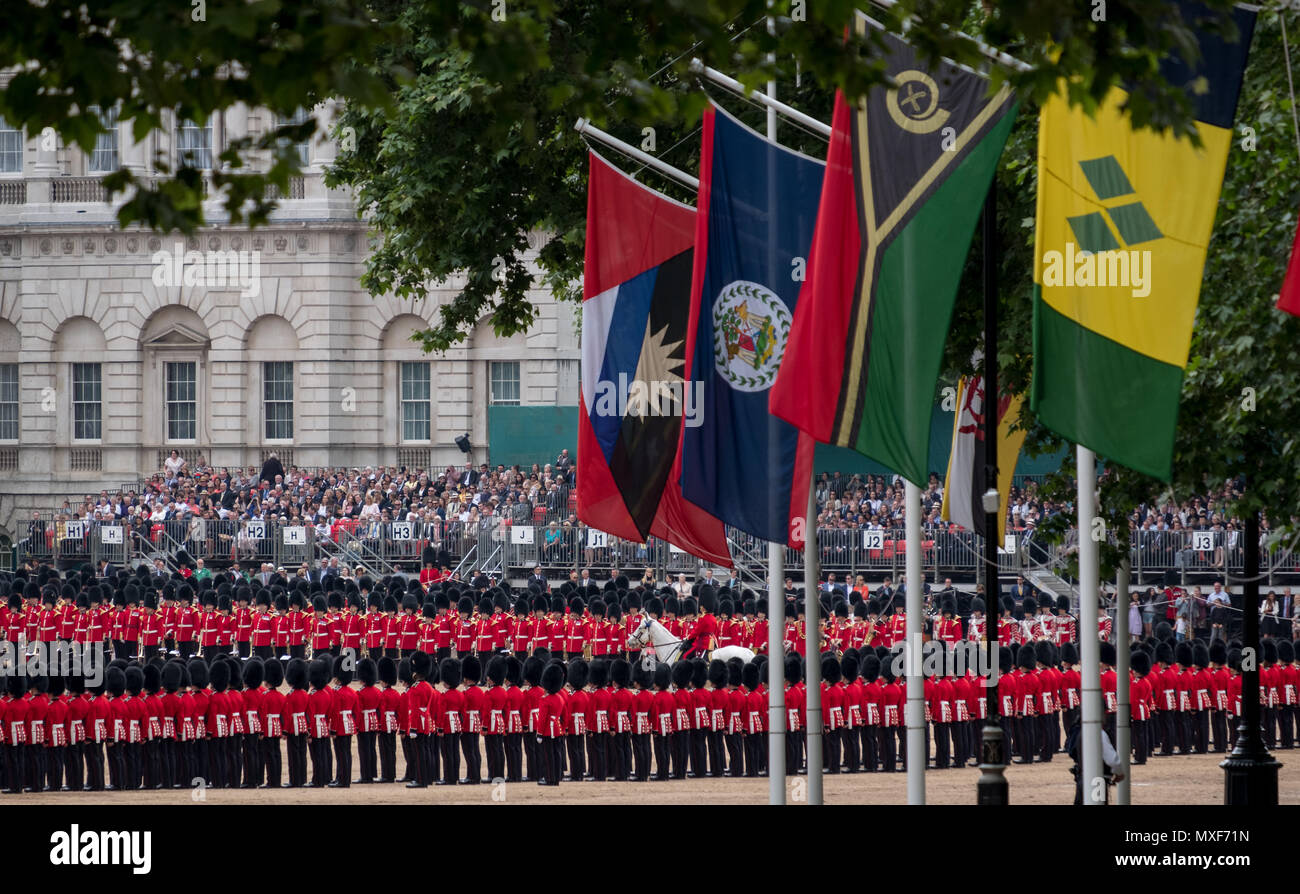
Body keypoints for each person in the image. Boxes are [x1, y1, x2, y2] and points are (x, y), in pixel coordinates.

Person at [1067, 716, 1124, 805]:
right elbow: (1112, 760)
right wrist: (1119, 773)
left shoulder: (1079, 732)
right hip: (1098, 780)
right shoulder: (1099, 734)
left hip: (1082, 777)